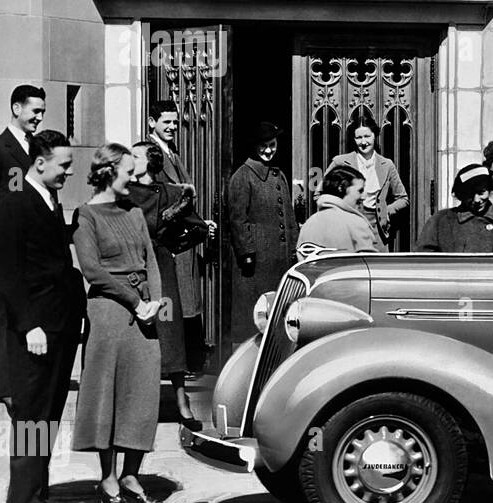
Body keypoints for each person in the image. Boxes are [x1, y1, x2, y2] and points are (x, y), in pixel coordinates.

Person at [0, 130, 85, 503]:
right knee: (32, 416)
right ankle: (23, 501)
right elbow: (8, 274)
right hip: (36, 333)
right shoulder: (15, 204)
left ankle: (38, 495)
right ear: (40, 162)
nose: (68, 172)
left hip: (58, 327)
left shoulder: (49, 200)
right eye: (63, 165)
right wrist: (30, 326)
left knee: (48, 414)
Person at [71, 144, 164, 503]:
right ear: (109, 171)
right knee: (107, 393)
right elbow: (93, 271)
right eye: (129, 170)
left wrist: (154, 301)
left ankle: (131, 475)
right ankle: (108, 478)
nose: (135, 177)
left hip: (143, 314)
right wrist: (135, 301)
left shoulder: (136, 213)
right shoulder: (86, 215)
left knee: (140, 395)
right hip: (109, 314)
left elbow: (151, 260)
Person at [126, 141, 208, 430]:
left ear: (150, 162)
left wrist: (172, 246)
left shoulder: (170, 193)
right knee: (138, 335)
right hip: (133, 270)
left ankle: (183, 404)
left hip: (162, 270)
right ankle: (136, 405)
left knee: (170, 333)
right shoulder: (123, 193)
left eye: (134, 155)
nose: (128, 158)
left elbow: (198, 228)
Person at [0, 84, 47, 407]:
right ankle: (5, 386)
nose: (39, 118)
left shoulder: (38, 149)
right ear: (17, 108)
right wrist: (4, 231)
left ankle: (28, 371)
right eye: (35, 111)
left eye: (42, 112)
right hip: (10, 244)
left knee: (31, 304)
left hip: (37, 245)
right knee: (7, 305)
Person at [143, 99, 215, 372]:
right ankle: (173, 363)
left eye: (175, 122)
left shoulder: (172, 152)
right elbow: (159, 201)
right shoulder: (150, 154)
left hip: (182, 239)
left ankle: (184, 362)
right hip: (170, 240)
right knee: (173, 302)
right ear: (152, 123)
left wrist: (198, 223)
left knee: (185, 300)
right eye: (167, 122)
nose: (173, 126)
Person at [227, 123, 297, 347]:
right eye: (263, 146)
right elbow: (238, 220)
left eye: (272, 145)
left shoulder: (278, 174)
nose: (269, 150)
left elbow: (289, 217)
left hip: (280, 258)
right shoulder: (243, 176)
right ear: (254, 147)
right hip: (257, 261)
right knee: (256, 311)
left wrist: (294, 248)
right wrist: (247, 252)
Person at [328, 114, 407, 250]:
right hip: (349, 229)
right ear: (353, 139)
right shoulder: (340, 162)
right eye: (358, 137)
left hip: (378, 231)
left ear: (374, 136)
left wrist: (386, 211)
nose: (363, 142)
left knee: (378, 269)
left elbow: (403, 198)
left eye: (367, 136)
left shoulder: (387, 165)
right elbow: (320, 194)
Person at [418, 164, 493, 253]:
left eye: (481, 192)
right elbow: (425, 261)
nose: (477, 200)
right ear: (462, 195)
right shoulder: (441, 221)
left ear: (489, 189)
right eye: (470, 194)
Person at [298, 165, 379, 253]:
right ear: (341, 188)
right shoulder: (356, 223)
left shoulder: (309, 224)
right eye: (360, 191)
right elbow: (367, 263)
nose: (363, 197)